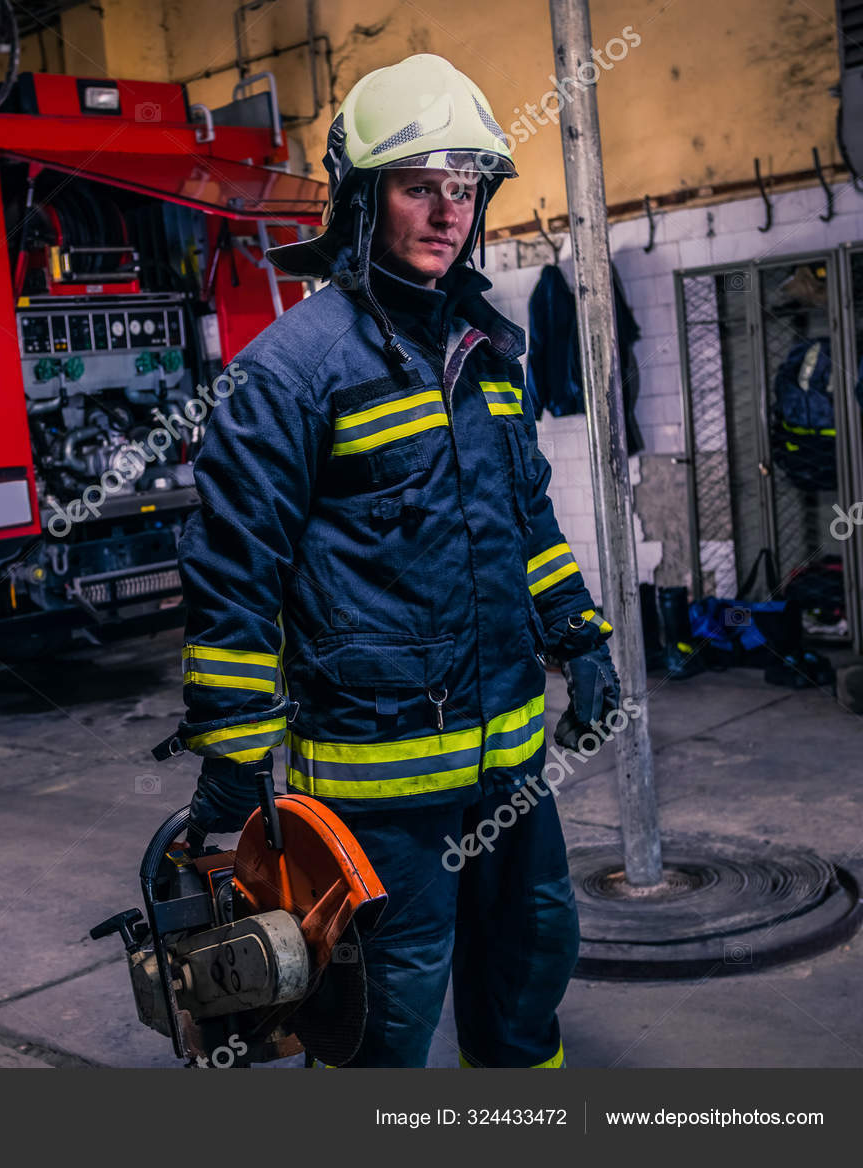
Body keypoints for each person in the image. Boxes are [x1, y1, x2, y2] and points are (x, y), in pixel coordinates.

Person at [170, 53, 621, 1068]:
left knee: (527, 978)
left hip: (510, 768)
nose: (446, 212)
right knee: (382, 1021)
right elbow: (236, 580)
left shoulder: (485, 354)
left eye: (462, 189)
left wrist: (581, 639)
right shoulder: (288, 373)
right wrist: (234, 764)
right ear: (363, 199)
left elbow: (526, 526)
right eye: (420, 187)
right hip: (378, 795)